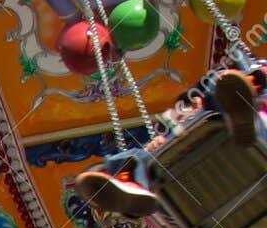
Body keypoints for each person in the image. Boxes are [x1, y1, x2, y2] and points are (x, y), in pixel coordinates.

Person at [73, 67, 264, 218]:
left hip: (236, 147)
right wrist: (158, 145)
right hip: (197, 179)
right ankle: (132, 185)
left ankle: (137, 181)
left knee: (219, 88)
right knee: (144, 159)